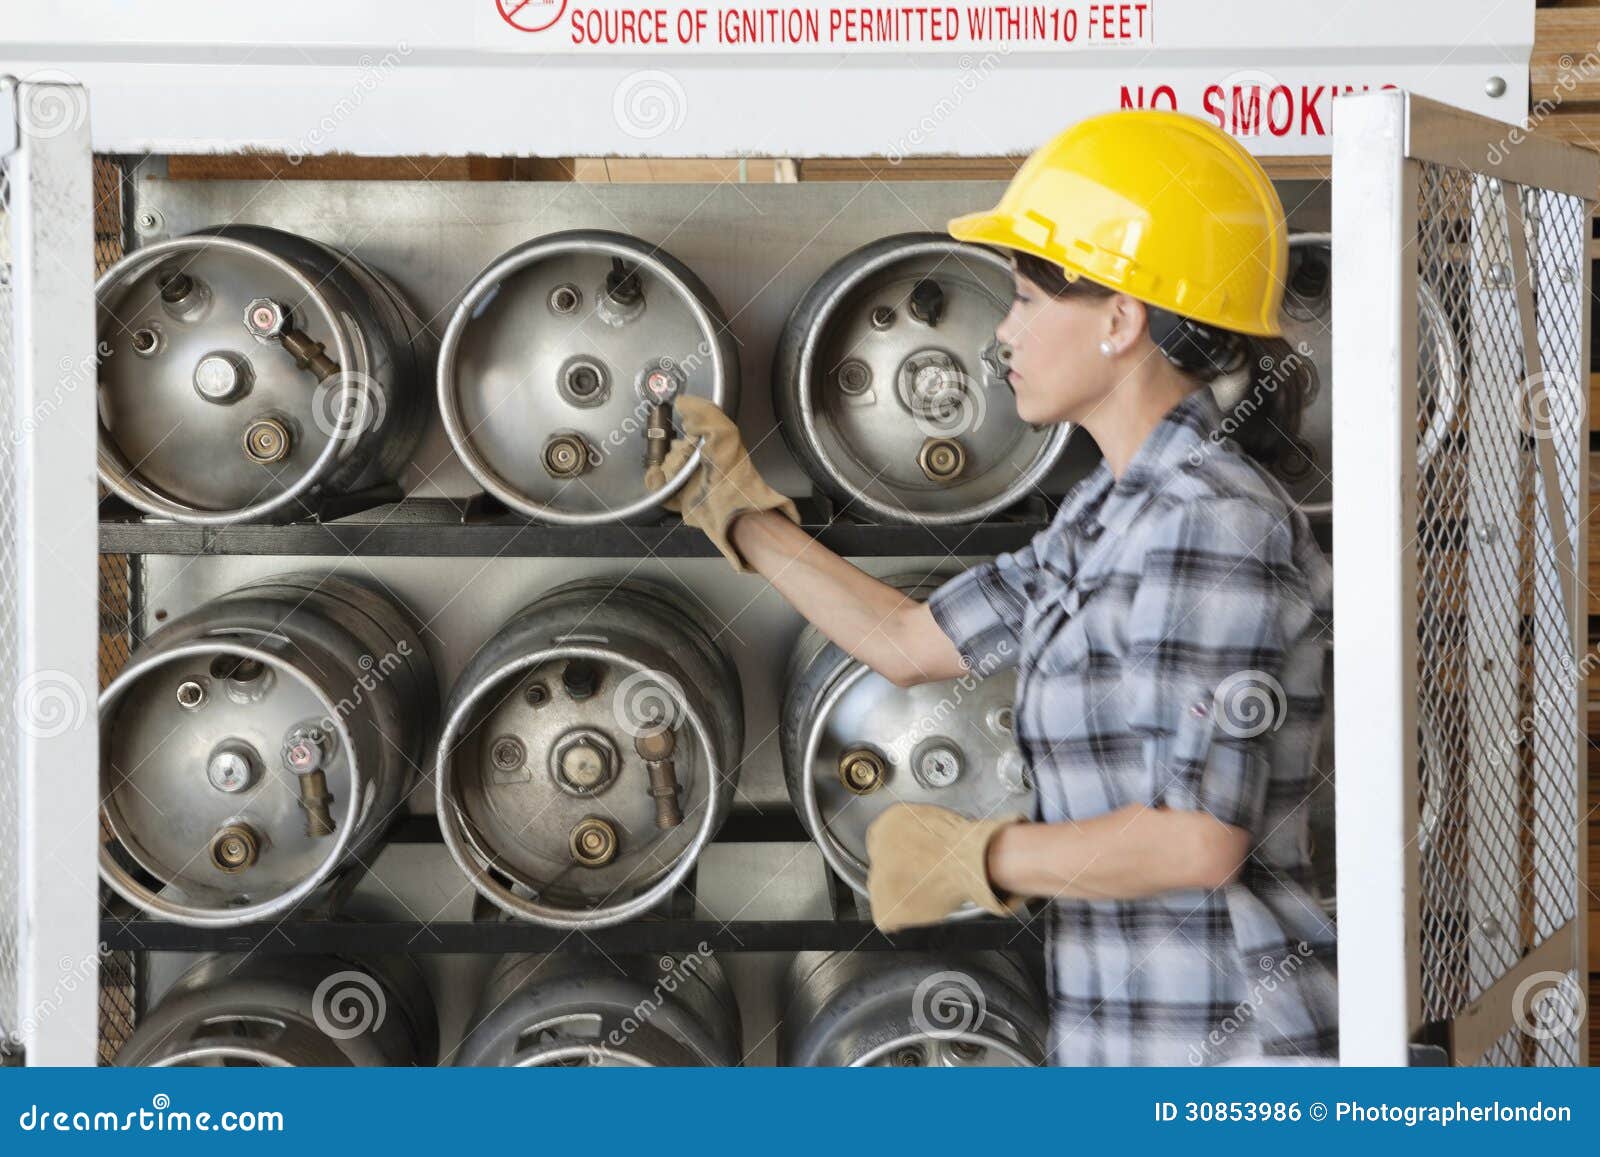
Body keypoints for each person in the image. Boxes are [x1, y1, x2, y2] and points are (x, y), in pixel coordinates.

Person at [645, 109, 1338, 1066]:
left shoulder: (1210, 525)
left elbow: (1197, 842)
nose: (1001, 334)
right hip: (1124, 1038)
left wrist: (979, 856)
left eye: (1025, 300)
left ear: (1121, 319)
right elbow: (907, 642)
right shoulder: (1107, 512)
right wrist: (738, 514)